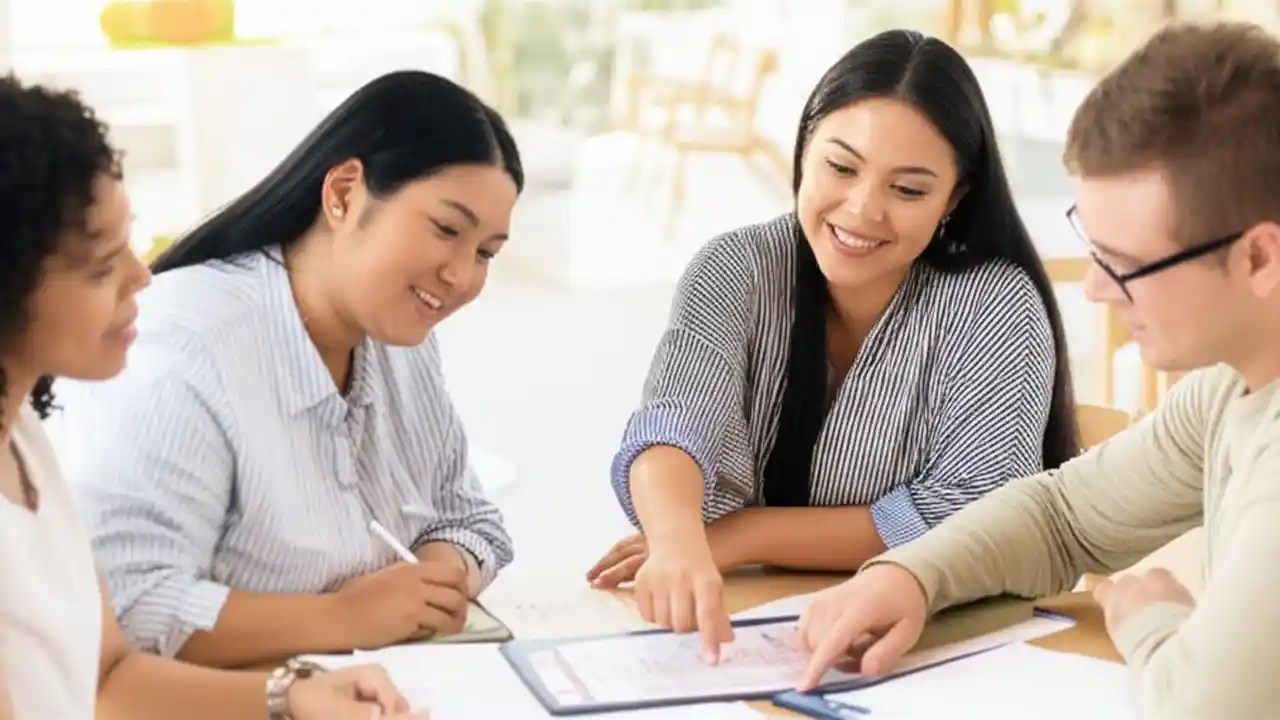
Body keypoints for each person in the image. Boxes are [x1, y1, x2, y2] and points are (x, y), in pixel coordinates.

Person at [797, 21, 1280, 718]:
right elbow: (1063, 515)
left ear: (1260, 258)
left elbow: (1203, 708)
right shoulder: (1229, 388)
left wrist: (1153, 622)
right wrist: (910, 575)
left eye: (1127, 264)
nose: (1094, 290)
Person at [588, 28, 1078, 661]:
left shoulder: (995, 304)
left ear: (954, 198)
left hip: (934, 636)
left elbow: (973, 515)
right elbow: (675, 425)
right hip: (752, 622)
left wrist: (738, 536)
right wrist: (680, 538)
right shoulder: (735, 268)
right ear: (803, 150)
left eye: (908, 190)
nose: (862, 210)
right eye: (840, 167)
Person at [53, 70, 521, 668]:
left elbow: (469, 516)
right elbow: (132, 606)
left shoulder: (402, 337)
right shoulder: (186, 344)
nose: (462, 275)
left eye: (485, 252)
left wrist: (431, 581)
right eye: (446, 230)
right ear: (345, 193)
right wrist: (344, 617)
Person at [0, 73, 422, 720]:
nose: (141, 277)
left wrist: (293, 696)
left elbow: (109, 678)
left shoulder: (23, 435)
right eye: (102, 264)